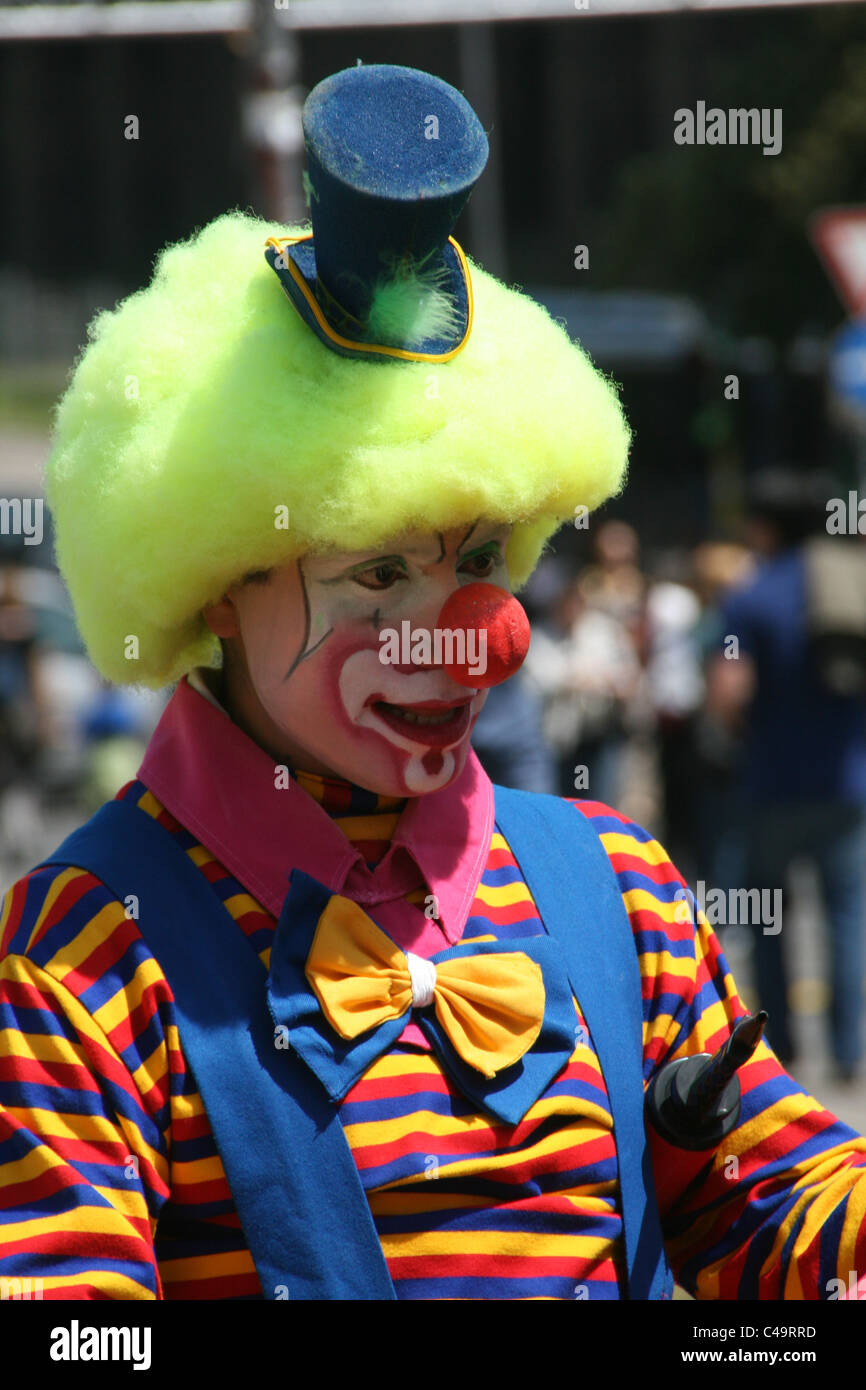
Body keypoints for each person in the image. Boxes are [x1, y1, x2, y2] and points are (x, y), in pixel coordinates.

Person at [1, 65, 864, 1303]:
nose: (465, 632)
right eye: (377, 574)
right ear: (214, 586)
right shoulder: (84, 954)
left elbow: (773, 1210)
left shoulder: (617, 890)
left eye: (473, 561)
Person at [709, 468, 866, 1081]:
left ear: (764, 525)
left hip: (771, 784)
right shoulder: (850, 586)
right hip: (848, 783)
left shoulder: (750, 597)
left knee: (768, 913)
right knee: (846, 915)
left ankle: (785, 1048)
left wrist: (738, 736)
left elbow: (729, 688)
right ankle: (850, 1052)